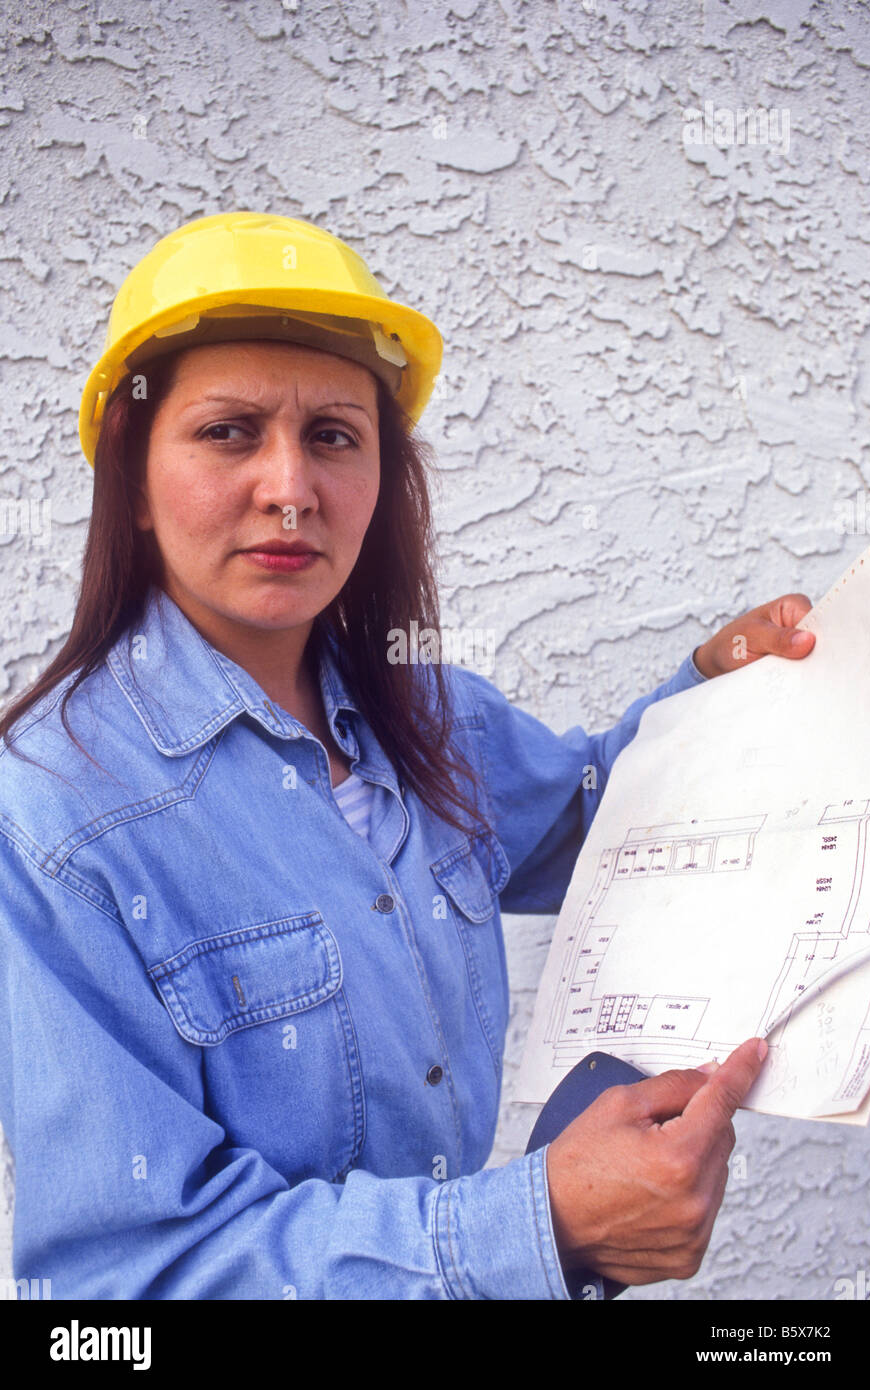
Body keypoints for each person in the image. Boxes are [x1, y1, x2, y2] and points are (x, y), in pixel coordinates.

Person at [0, 211, 816, 1300]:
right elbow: (122, 1287)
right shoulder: (49, 819)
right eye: (229, 430)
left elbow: (591, 820)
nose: (290, 487)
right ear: (133, 484)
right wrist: (537, 1224)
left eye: (333, 435)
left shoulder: (427, 718)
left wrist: (714, 698)